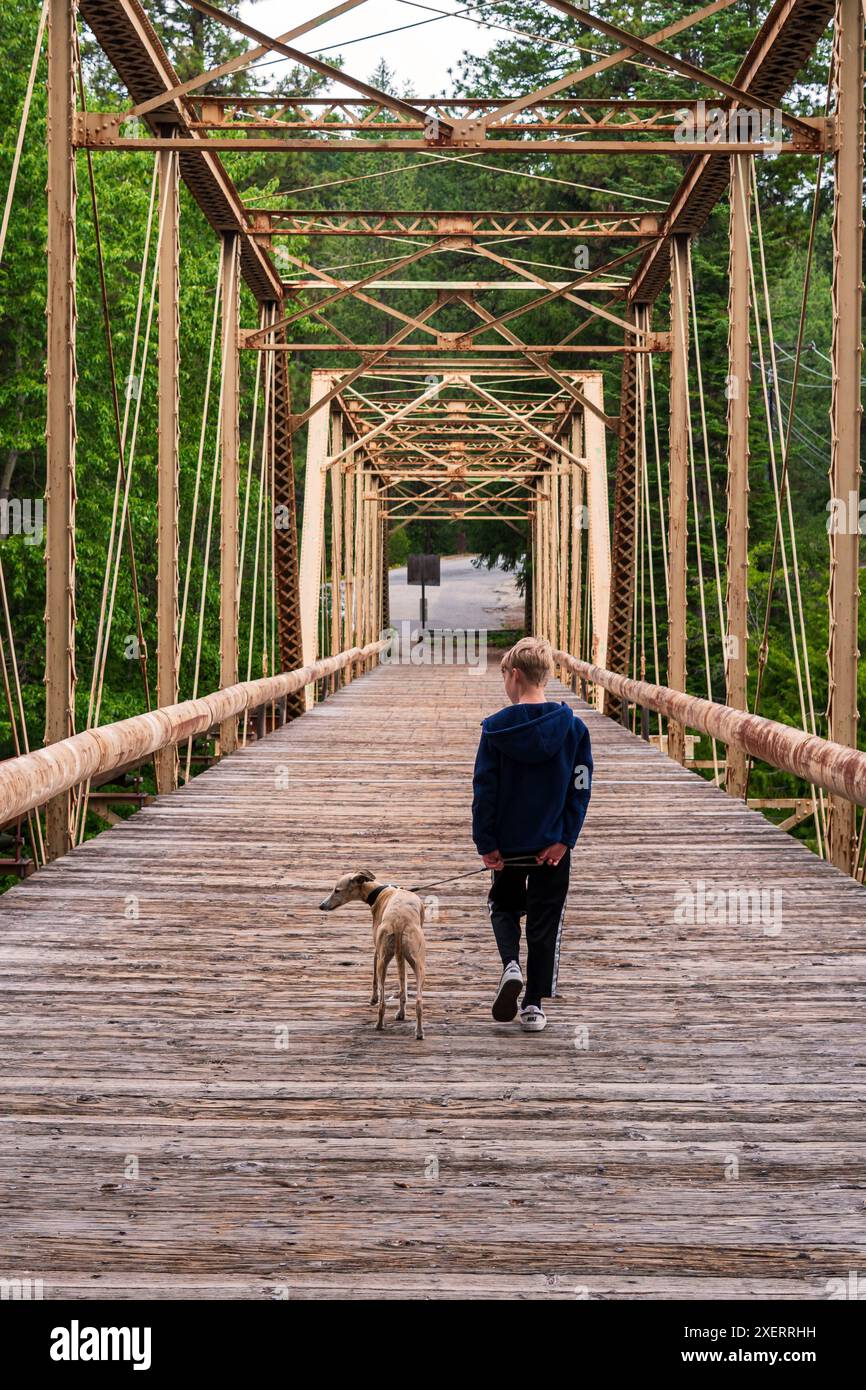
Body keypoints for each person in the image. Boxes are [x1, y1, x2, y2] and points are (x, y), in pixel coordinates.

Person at [471, 636, 592, 1032]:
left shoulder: (495, 730)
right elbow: (580, 787)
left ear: (516, 676)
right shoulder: (574, 730)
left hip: (508, 847)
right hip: (551, 846)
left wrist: (486, 843)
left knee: (502, 906)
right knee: (546, 919)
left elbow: (484, 789)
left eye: (503, 676)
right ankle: (534, 1005)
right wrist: (565, 838)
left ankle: (510, 963)